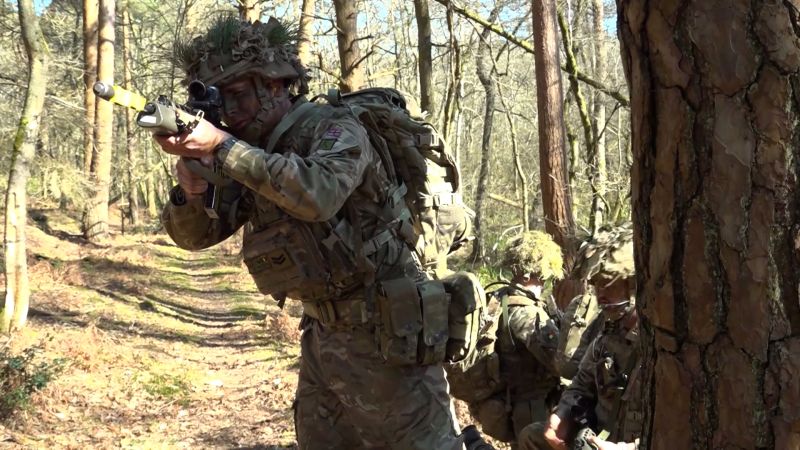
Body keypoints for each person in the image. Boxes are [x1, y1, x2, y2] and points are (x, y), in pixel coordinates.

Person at [157, 16, 464, 449]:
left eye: (237, 94)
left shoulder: (333, 127)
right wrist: (191, 192)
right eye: (218, 99)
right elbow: (197, 237)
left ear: (276, 85)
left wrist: (223, 147)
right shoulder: (255, 152)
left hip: (388, 335)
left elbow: (320, 192)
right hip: (323, 338)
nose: (228, 111)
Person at [517, 225, 641, 450]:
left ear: (633, 283)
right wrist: (562, 415)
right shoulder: (608, 331)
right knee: (532, 436)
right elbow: (581, 384)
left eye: (608, 284)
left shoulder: (660, 345)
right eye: (596, 285)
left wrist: (630, 448)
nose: (600, 295)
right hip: (598, 439)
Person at [466, 231, 563, 448]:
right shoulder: (526, 313)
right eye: (541, 276)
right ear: (527, 274)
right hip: (532, 406)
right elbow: (559, 361)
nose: (543, 282)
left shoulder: (500, 298)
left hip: (511, 402)